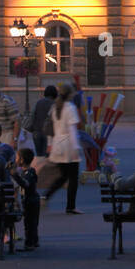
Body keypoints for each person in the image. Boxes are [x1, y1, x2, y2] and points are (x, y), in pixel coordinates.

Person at [43, 81, 83, 214]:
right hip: (68, 146)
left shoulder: (55, 107)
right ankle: (71, 206)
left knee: (63, 175)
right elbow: (72, 130)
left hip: (57, 144)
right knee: (73, 178)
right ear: (70, 94)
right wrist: (77, 147)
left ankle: (46, 195)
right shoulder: (70, 108)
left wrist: (50, 144)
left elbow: (51, 128)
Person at [12, 147, 41, 251]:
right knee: (32, 223)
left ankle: (29, 244)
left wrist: (14, 175)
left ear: (22, 160)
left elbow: (26, 184)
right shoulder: (26, 172)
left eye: (17, 158)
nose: (15, 160)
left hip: (31, 201)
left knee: (30, 224)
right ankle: (35, 241)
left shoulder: (29, 173)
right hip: (30, 200)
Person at [27, 85, 56, 159]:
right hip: (48, 134)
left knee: (39, 155)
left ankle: (39, 168)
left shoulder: (38, 102)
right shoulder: (54, 104)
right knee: (47, 156)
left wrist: (32, 128)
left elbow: (32, 115)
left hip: (37, 132)